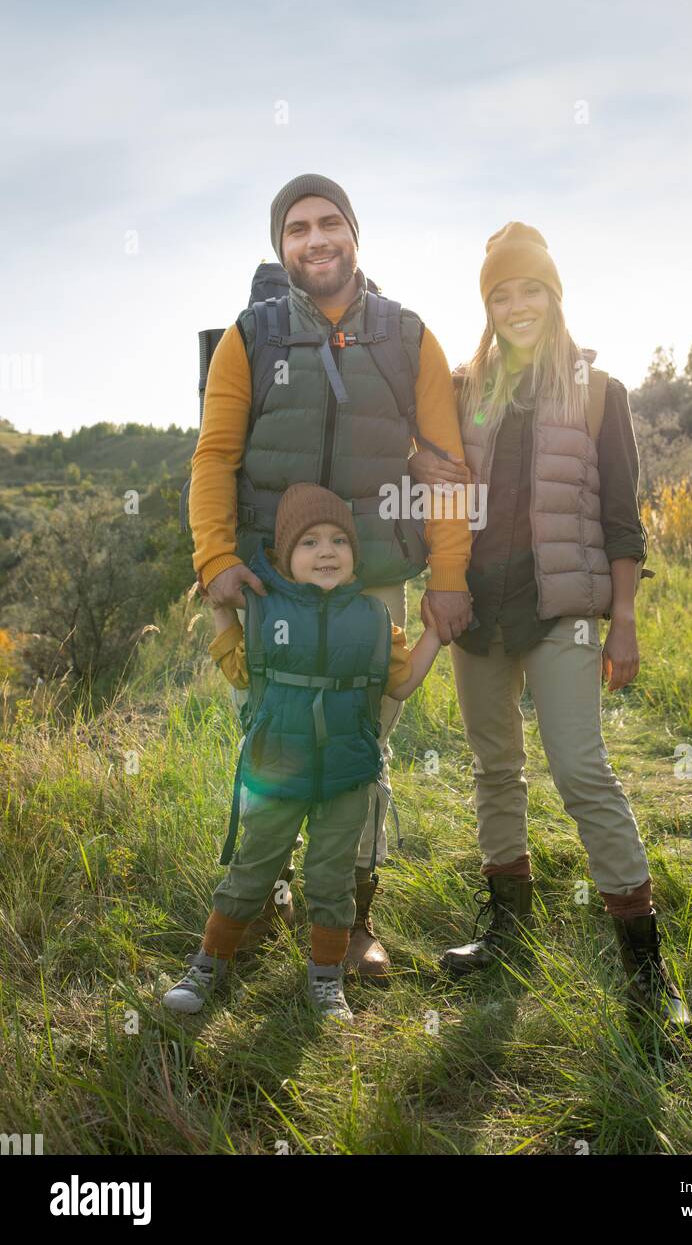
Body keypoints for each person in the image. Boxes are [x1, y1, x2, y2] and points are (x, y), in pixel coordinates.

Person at [188, 175, 472, 975]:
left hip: (373, 576)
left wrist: (449, 574)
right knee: (270, 739)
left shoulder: (409, 337)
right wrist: (214, 558)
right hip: (264, 582)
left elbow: (448, 471)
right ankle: (264, 893)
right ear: (281, 246)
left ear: (355, 234)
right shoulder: (252, 336)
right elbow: (214, 457)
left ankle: (350, 922)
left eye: (331, 224)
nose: (316, 240)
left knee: (358, 747)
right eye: (298, 229)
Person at [411, 222, 691, 1025]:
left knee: (580, 770)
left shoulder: (601, 392)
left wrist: (624, 620)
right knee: (493, 766)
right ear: (487, 305)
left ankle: (646, 968)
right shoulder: (466, 389)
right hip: (477, 611)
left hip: (563, 609)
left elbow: (620, 517)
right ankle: (508, 929)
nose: (515, 304)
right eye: (500, 293)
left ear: (554, 293)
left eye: (529, 288)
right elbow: (440, 487)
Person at [163, 484, 443, 1023]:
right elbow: (238, 667)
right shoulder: (266, 612)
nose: (326, 551)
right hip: (277, 769)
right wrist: (222, 612)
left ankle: (326, 978)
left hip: (346, 772)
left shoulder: (372, 618)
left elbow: (400, 684)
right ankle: (207, 966)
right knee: (252, 867)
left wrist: (435, 632)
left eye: (339, 540)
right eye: (310, 541)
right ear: (285, 557)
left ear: (355, 554)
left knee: (333, 877)